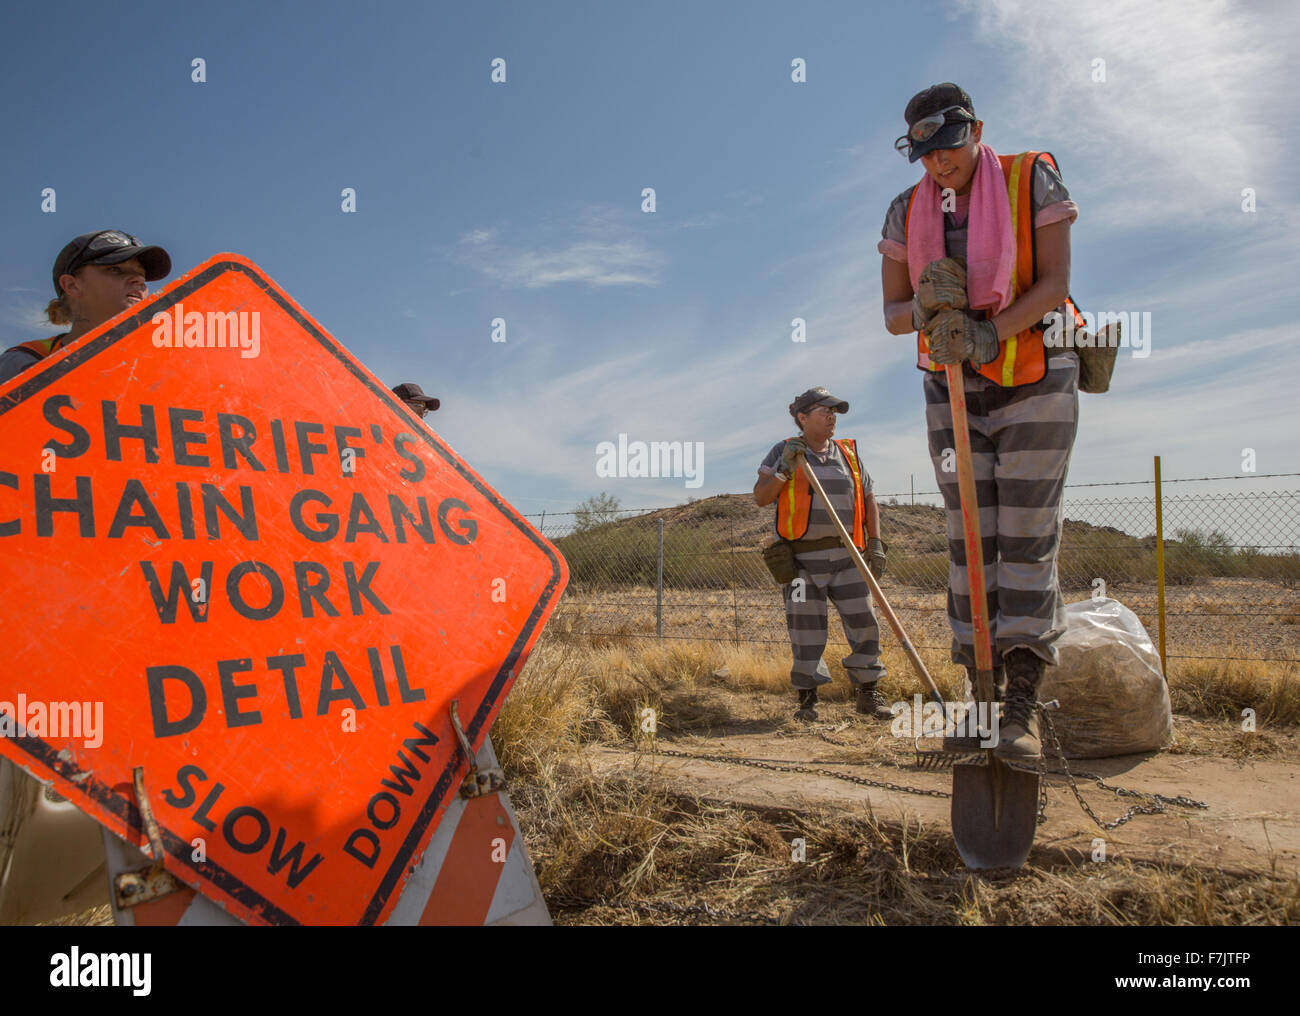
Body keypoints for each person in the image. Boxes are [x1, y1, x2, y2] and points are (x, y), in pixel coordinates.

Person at [878, 83, 1083, 759]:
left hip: (1034, 374)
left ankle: (1023, 707)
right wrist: (929, 308)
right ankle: (981, 699)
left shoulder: (1031, 180)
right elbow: (893, 314)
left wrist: (990, 335)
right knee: (971, 539)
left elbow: (1053, 284)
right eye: (925, 154)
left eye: (950, 146)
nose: (940, 163)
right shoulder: (906, 211)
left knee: (1025, 533)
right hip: (952, 386)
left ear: (976, 130)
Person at [754, 387, 890, 722]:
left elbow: (869, 497)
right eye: (823, 410)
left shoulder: (848, 453)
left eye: (835, 412)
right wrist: (784, 470)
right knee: (806, 629)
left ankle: (868, 694)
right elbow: (761, 496)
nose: (832, 417)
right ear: (802, 417)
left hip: (849, 557)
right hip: (802, 562)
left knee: (864, 623)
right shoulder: (785, 450)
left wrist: (875, 542)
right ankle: (807, 699)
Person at [0, 230, 171, 386]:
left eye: (142, 276)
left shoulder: (169, 370)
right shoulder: (25, 362)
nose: (139, 281)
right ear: (72, 285)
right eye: (116, 269)